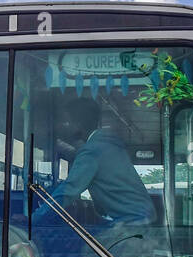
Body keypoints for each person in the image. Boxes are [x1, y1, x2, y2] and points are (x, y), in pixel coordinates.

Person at [50, 97, 154, 226]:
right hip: (142, 220)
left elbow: (67, 192)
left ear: (78, 124)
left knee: (87, 246)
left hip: (131, 224)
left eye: (67, 122)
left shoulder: (91, 151)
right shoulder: (107, 145)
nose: (63, 126)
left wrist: (32, 220)